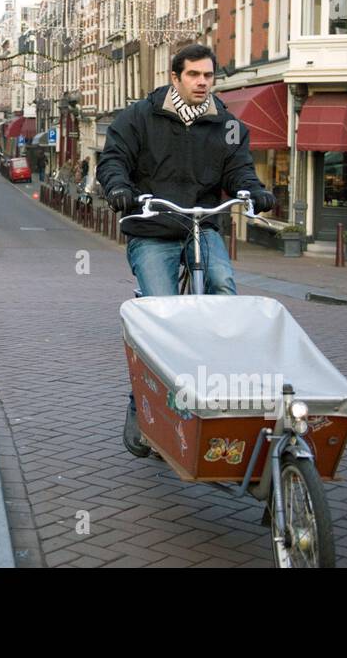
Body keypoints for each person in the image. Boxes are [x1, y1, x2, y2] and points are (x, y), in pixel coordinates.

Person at [97, 44, 276, 458]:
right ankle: (139, 403)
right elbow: (114, 160)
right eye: (193, 75)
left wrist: (252, 190)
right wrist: (119, 187)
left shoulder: (226, 124)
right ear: (175, 77)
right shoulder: (139, 117)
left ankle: (214, 381)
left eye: (208, 76)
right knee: (162, 312)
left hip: (202, 222)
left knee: (223, 289)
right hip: (154, 225)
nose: (202, 83)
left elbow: (240, 168)